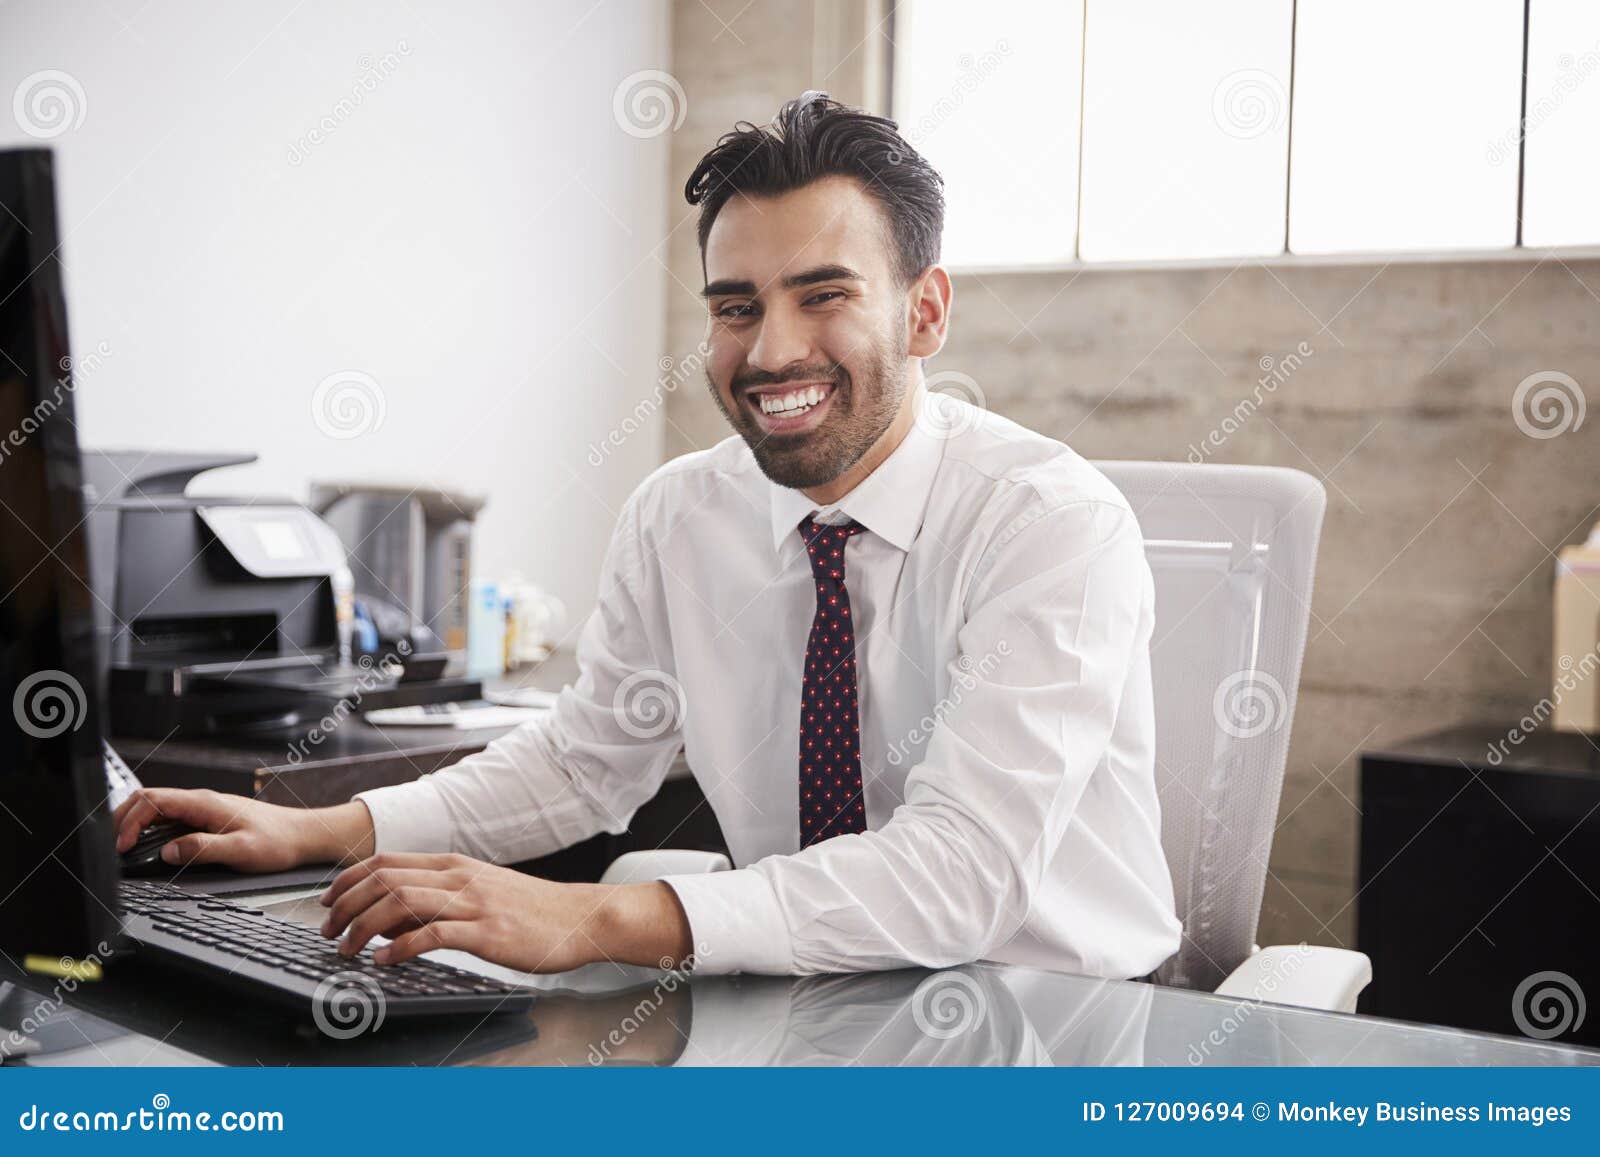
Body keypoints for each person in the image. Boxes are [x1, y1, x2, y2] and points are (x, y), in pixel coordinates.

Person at [113, 92, 1181, 979]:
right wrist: (324, 828)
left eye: (823, 295)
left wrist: (593, 919)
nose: (771, 350)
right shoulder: (681, 514)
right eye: (733, 306)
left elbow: (958, 876)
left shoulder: (1048, 525)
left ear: (925, 311)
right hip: (813, 1003)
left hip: (1054, 1024)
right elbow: (586, 762)